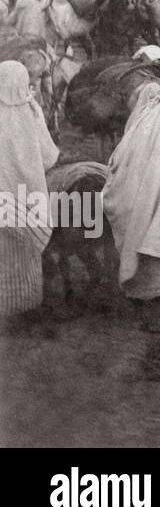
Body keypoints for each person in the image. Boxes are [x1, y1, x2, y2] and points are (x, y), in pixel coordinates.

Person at [102, 82, 160, 325]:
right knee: (156, 262)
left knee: (139, 254)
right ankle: (155, 318)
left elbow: (117, 159)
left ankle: (138, 302)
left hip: (129, 201)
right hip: (154, 208)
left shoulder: (145, 121)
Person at [0, 61, 59, 322]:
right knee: (26, 256)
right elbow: (48, 157)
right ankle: (25, 307)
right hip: (28, 197)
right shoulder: (32, 111)